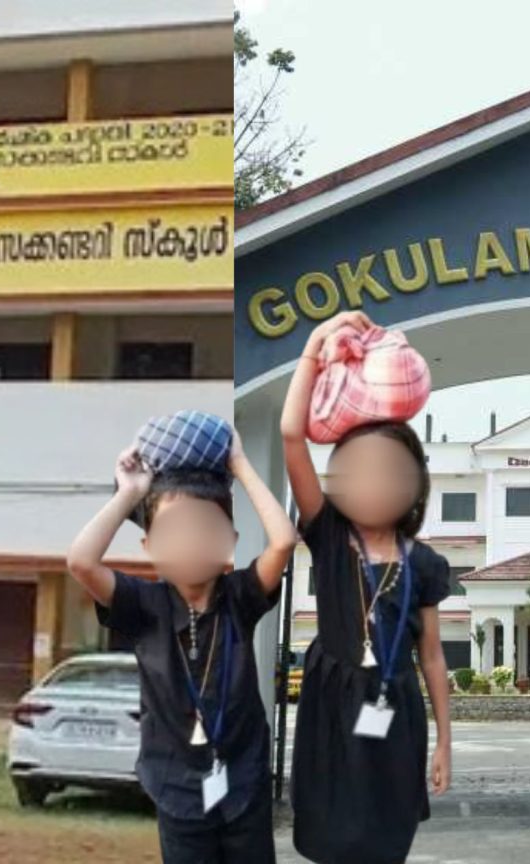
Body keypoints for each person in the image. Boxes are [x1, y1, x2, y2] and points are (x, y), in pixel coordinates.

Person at [68, 423, 295, 864]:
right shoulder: (142, 605)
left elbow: (284, 541)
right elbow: (80, 560)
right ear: (151, 545)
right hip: (176, 787)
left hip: (243, 781)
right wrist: (130, 493)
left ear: (229, 542)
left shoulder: (240, 597)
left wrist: (241, 465)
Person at [282, 311, 454, 864]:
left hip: (395, 702)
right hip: (331, 703)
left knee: (386, 831)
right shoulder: (329, 536)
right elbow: (290, 434)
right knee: (333, 835)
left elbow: (431, 658)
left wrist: (446, 741)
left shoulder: (424, 564)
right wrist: (313, 346)